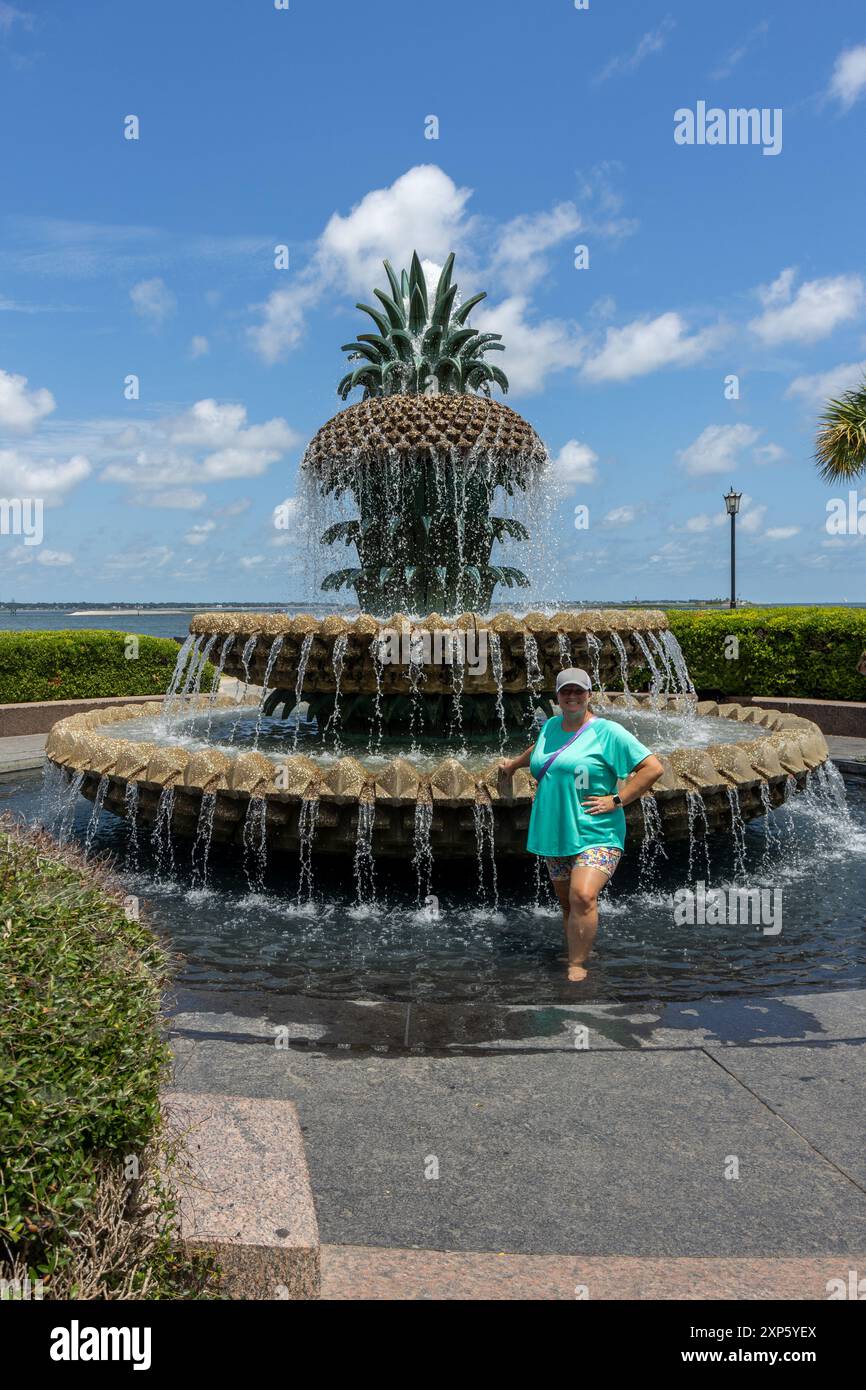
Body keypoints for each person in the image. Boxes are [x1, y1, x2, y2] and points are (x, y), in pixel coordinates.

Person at [499, 667, 664, 982]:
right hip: (556, 831)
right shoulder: (550, 726)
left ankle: (577, 963)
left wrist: (617, 799)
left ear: (589, 695)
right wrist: (512, 766)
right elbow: (540, 750)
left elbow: (652, 768)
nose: (572, 696)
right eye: (566, 691)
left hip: (597, 831)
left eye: (579, 691)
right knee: (567, 903)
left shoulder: (608, 732)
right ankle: (579, 946)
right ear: (558, 697)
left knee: (583, 896)